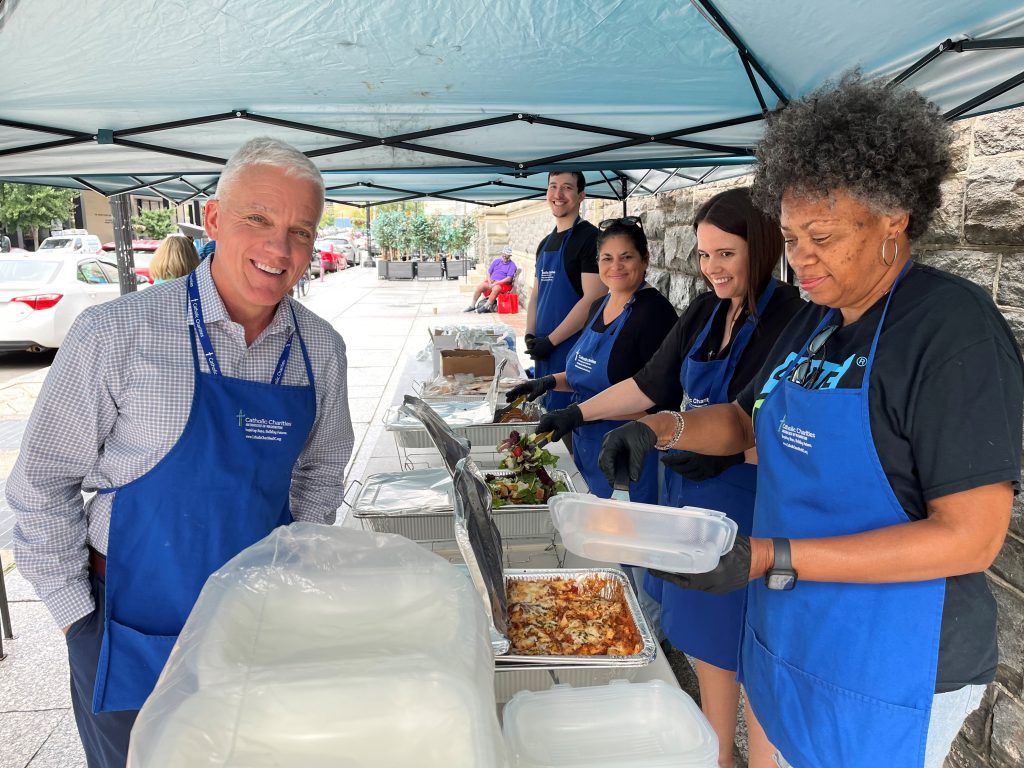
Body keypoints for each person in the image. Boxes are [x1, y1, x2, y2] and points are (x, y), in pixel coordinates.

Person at [598, 74, 1023, 768]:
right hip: (791, 625)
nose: (801, 259)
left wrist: (773, 556)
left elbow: (970, 539)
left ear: (895, 218)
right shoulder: (818, 322)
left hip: (894, 657)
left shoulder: (951, 329)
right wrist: (662, 428)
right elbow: (744, 423)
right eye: (792, 238)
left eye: (821, 236)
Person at [8, 137, 354, 768]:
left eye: (300, 231)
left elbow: (322, 467)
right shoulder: (117, 333)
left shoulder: (320, 349)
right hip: (129, 622)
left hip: (259, 621)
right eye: (259, 219)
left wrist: (300, 564)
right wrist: (76, 621)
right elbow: (40, 483)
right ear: (215, 221)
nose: (280, 248)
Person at [537, 189, 803, 766]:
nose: (711, 269)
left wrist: (684, 438)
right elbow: (652, 383)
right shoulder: (707, 311)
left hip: (751, 508)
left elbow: (754, 424)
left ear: (762, 249)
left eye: (725, 254)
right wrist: (576, 412)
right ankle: (714, 755)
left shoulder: (793, 316)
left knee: (755, 656)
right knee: (707, 648)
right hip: (689, 502)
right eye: (704, 255)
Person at [508, 217, 677, 503]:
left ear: (645, 259)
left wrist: (580, 413)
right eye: (607, 258)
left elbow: (662, 406)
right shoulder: (599, 305)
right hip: (587, 450)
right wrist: (548, 382)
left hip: (629, 460)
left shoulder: (655, 314)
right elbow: (584, 378)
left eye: (627, 257)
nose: (615, 266)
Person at [525, 171, 606, 411]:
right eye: (553, 187)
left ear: (582, 195)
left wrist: (551, 340)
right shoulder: (544, 243)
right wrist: (530, 335)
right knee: (547, 415)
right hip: (544, 352)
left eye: (567, 188)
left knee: (570, 420)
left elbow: (593, 299)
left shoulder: (591, 239)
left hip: (575, 351)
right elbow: (536, 295)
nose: (558, 195)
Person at [465, 244, 517, 313]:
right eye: (503, 254)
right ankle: (472, 305)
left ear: (509, 256)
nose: (504, 256)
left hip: (503, 284)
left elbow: (509, 279)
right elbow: (489, 272)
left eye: (506, 255)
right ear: (501, 253)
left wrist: (496, 283)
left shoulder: (512, 265)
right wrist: (490, 282)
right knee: (480, 286)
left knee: (496, 288)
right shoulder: (496, 261)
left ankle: (485, 307)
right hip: (492, 282)